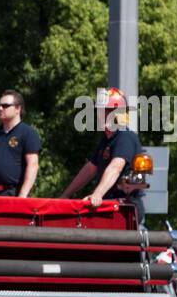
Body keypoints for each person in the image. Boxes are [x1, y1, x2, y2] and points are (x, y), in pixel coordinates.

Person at [59, 86, 145, 223]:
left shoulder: (125, 137)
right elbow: (89, 169)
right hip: (111, 206)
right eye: (101, 110)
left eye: (108, 110)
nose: (102, 114)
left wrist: (97, 194)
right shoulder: (107, 140)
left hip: (124, 209)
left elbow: (115, 167)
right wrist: (65, 196)